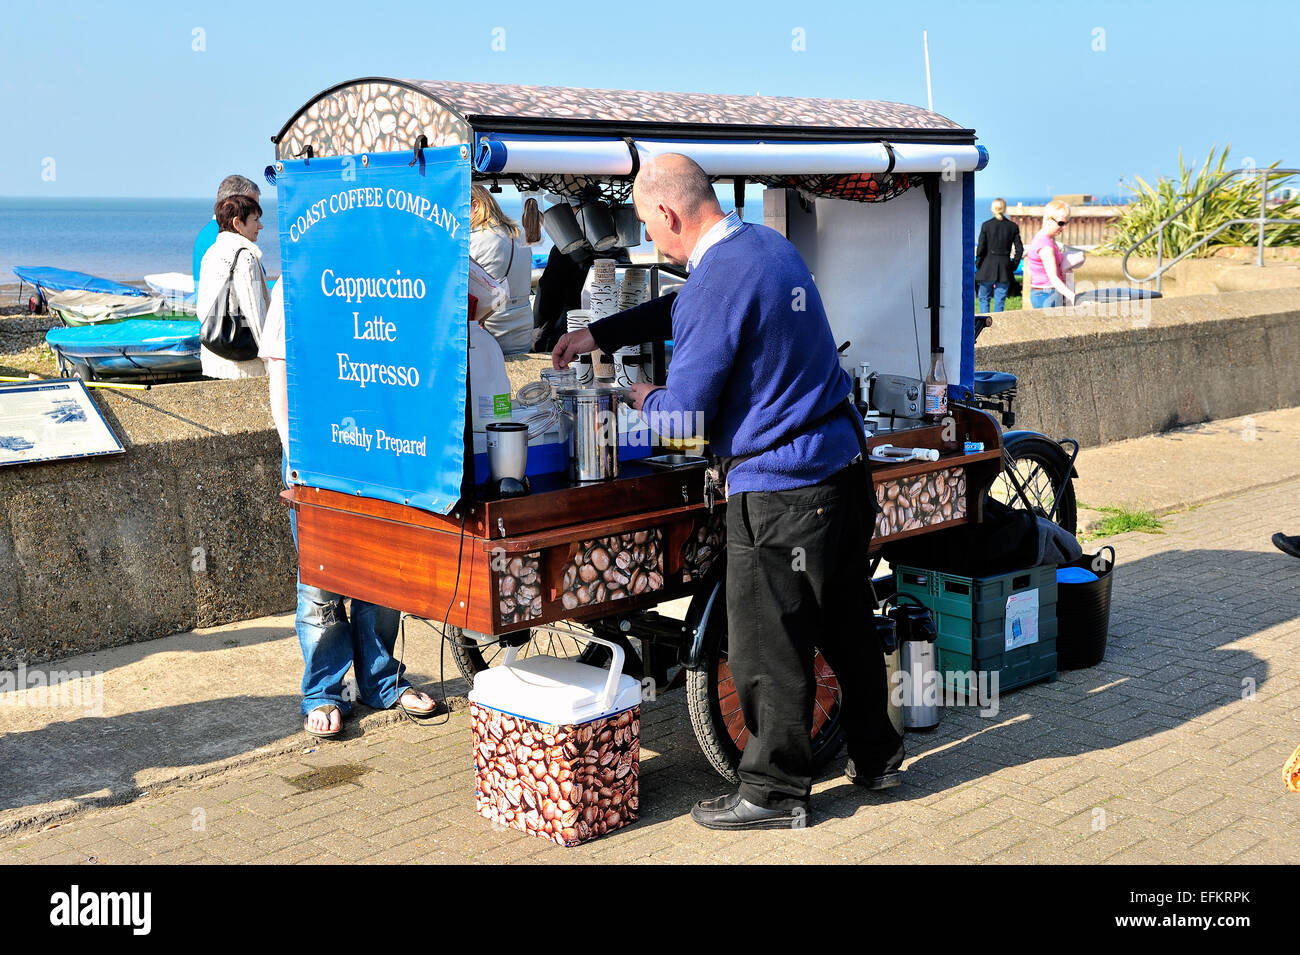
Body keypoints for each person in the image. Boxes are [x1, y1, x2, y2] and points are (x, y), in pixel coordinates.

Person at [552, 154, 904, 830]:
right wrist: (601, 331)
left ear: (670, 214)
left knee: (764, 645)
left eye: (647, 224)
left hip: (783, 490)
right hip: (840, 470)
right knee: (847, 625)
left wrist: (644, 396)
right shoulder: (762, 246)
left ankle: (774, 793)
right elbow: (683, 307)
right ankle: (878, 757)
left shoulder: (719, 278)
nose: (648, 238)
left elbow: (686, 419)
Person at [259, 283, 437, 738]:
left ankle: (380, 679)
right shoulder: (294, 279)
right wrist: (295, 453)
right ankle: (324, 690)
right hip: (315, 448)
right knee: (322, 577)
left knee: (381, 569)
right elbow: (277, 368)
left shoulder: (386, 272)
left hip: (383, 442)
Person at [196, 194, 270, 379]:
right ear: (238, 223)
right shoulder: (245, 257)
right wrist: (270, 362)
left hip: (213, 359)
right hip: (244, 368)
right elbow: (255, 313)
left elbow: (203, 308)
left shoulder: (210, 253)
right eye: (255, 220)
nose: (260, 226)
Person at [470, 185, 535, 355]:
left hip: (492, 327)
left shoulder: (475, 238)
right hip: (523, 323)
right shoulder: (518, 234)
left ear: (476, 205)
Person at [194, 175, 260, 286]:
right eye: (252, 206)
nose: (257, 212)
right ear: (233, 205)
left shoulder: (206, 233)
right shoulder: (224, 240)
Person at [1025, 199, 1076, 309]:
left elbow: (1031, 271)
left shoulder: (1043, 239)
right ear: (1049, 219)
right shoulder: (1045, 245)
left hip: (1043, 293)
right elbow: (1053, 277)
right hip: (1047, 294)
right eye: (1061, 223)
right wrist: (1071, 296)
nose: (1064, 227)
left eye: (1066, 223)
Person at [975, 198, 1023, 313]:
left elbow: (981, 248)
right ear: (1005, 209)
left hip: (987, 267)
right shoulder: (1012, 227)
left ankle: (984, 323)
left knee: (984, 298)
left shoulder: (986, 225)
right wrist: (1013, 265)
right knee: (1000, 300)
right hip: (1005, 268)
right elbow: (1019, 249)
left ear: (992, 209)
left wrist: (979, 264)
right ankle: (996, 325)